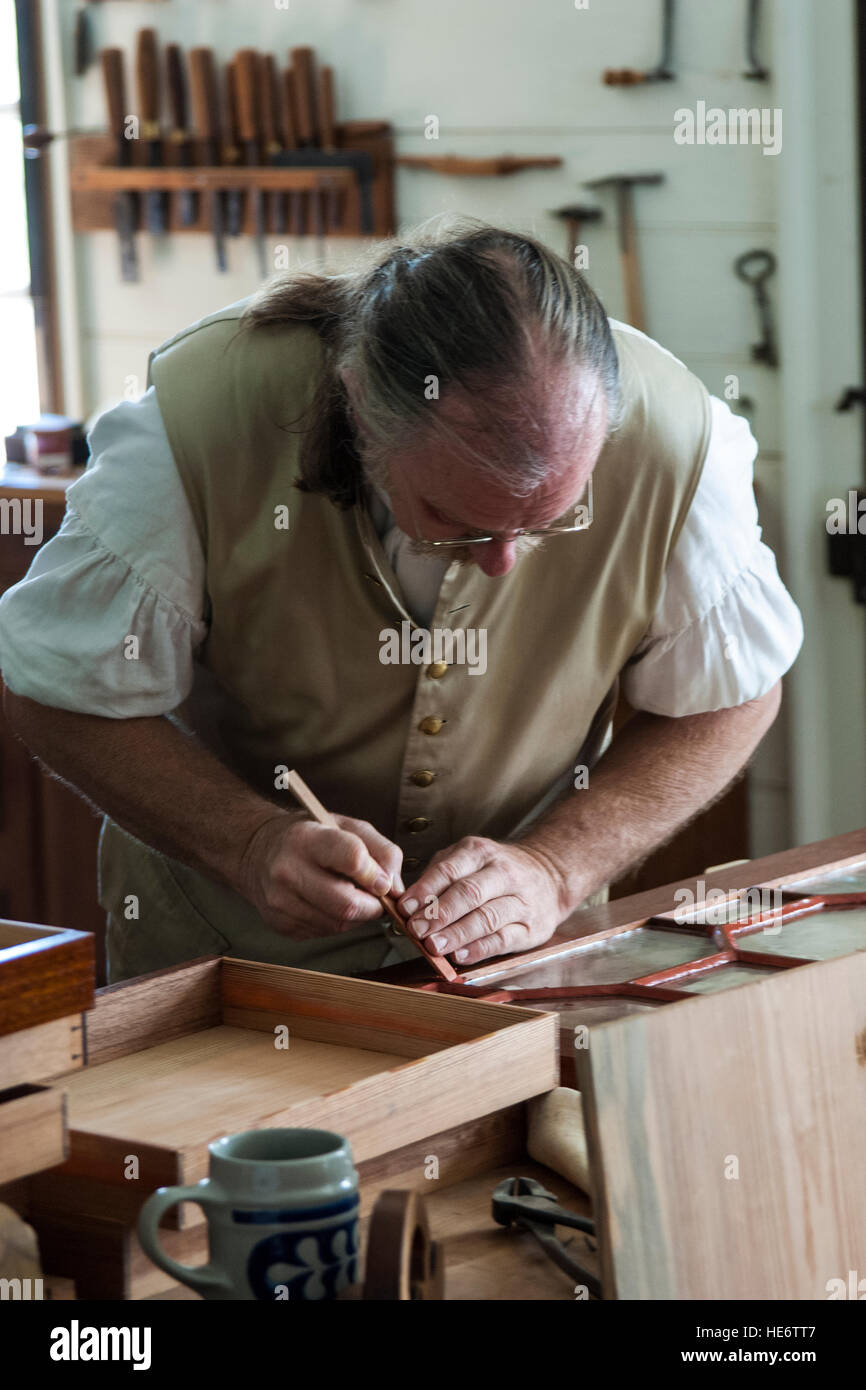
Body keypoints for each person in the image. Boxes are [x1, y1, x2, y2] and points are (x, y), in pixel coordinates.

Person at [0, 221, 802, 982]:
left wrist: (558, 868)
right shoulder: (194, 427)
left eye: (553, 519)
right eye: (455, 519)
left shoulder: (676, 442)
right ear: (358, 408)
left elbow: (732, 697)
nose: (502, 564)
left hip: (523, 964)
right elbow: (56, 692)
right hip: (223, 964)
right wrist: (246, 842)